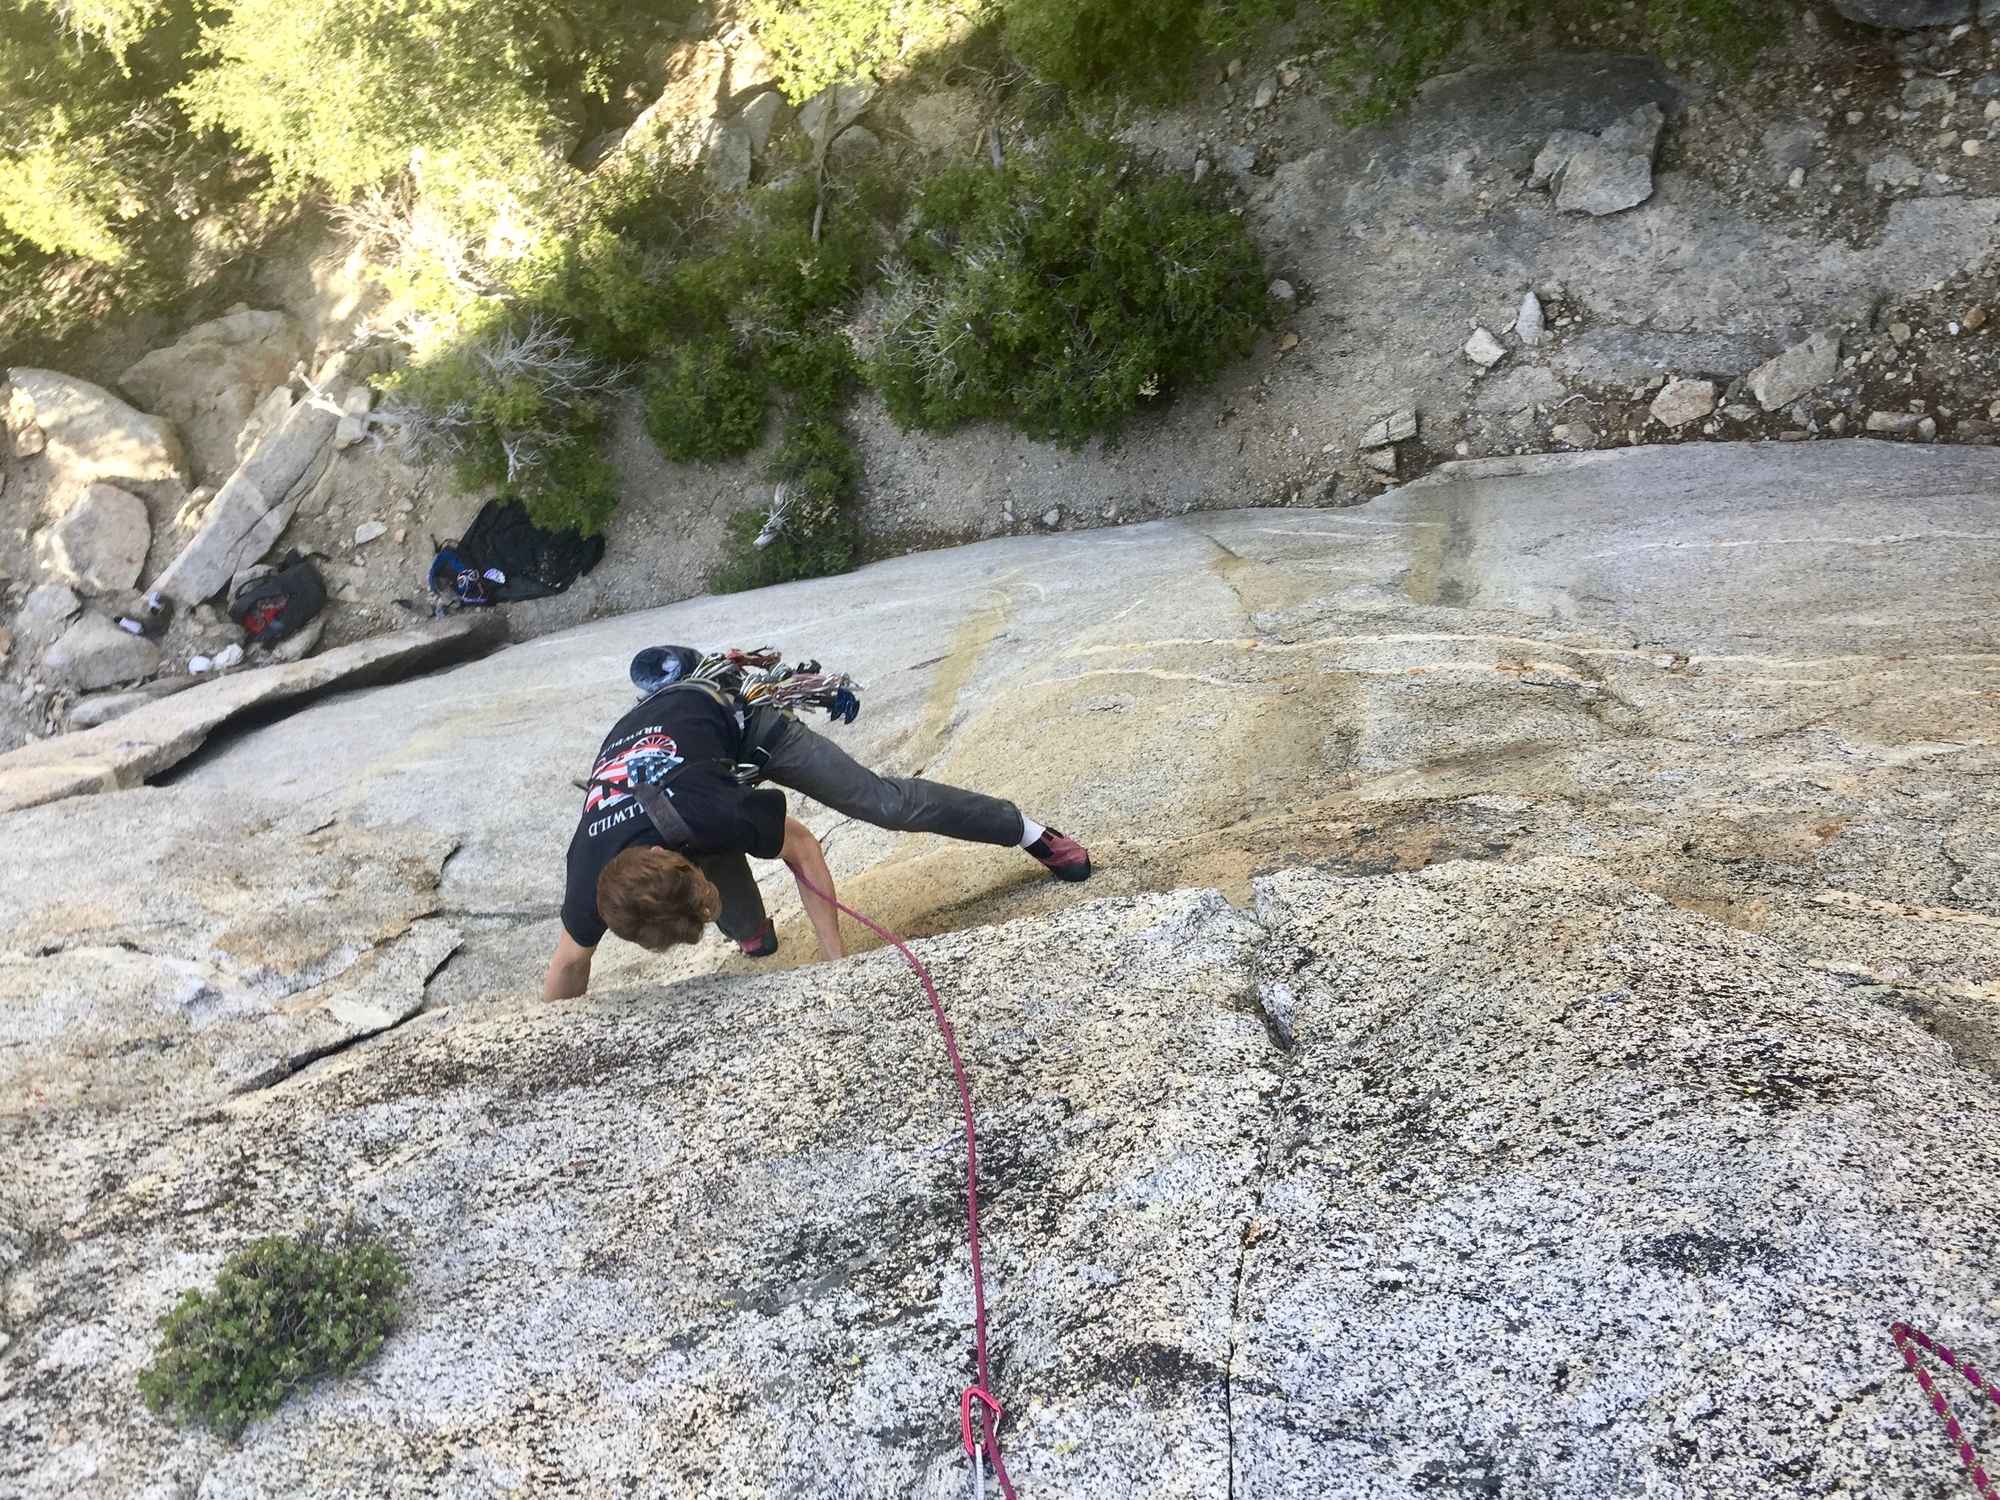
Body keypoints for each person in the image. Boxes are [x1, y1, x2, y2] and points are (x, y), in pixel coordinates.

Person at [542, 644, 1090, 1000]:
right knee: (741, 925)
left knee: (883, 804)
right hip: (684, 786)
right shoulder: (589, 877)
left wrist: (836, 966)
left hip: (738, 728)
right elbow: (568, 967)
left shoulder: (713, 811)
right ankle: (753, 932)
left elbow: (802, 848)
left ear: (667, 857)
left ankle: (1028, 831)